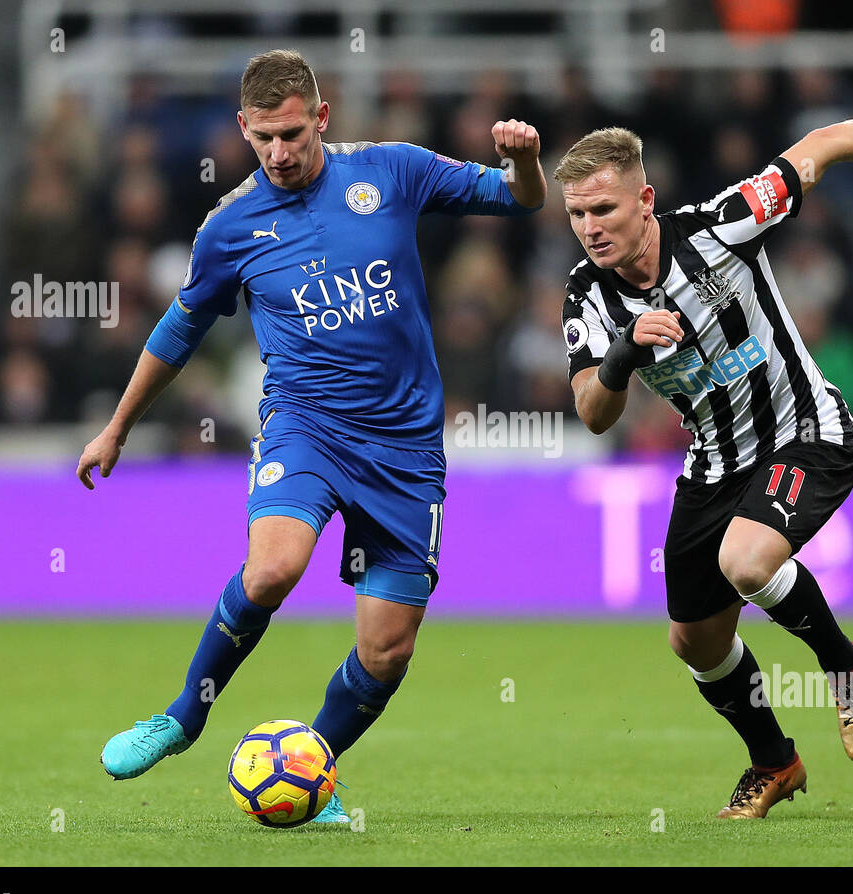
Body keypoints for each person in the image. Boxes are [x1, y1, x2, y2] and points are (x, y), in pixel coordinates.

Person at [77, 49, 545, 823]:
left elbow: (519, 201)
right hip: (307, 428)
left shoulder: (392, 171)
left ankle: (313, 768)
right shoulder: (229, 227)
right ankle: (181, 717)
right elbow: (178, 329)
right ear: (242, 129)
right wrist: (117, 427)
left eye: (292, 134)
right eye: (263, 138)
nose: (279, 153)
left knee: (387, 650)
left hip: (405, 450)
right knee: (272, 572)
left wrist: (526, 163)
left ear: (321, 118)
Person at [555, 97, 853, 818]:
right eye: (577, 215)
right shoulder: (585, 295)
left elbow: (826, 141)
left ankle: (843, 663)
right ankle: (774, 760)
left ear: (645, 200)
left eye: (605, 210)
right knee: (695, 641)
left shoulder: (722, 226)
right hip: (715, 463)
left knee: (746, 562)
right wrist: (622, 354)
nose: (591, 228)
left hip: (804, 433)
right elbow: (593, 411)